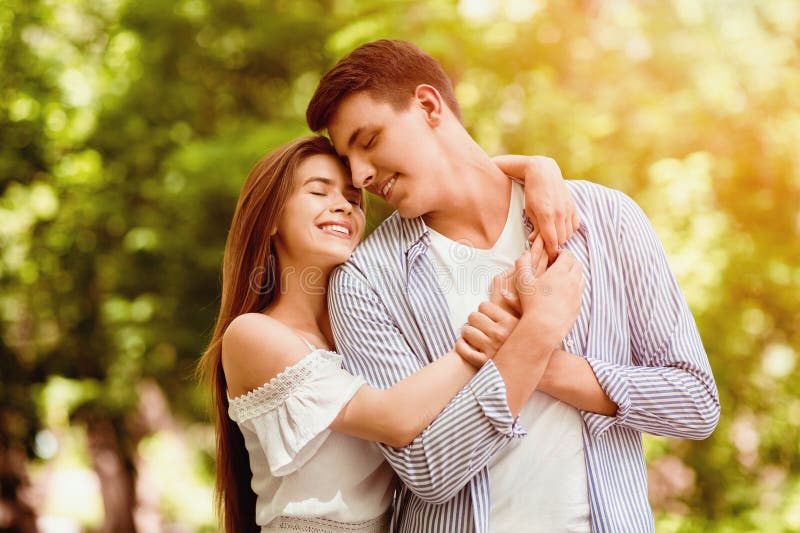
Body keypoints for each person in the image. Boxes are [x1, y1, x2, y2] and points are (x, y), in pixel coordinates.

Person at [306, 39, 721, 532]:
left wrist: (536, 358)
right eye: (348, 158)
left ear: (428, 105)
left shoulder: (605, 219)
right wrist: (537, 332)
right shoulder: (365, 282)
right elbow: (426, 471)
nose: (360, 175)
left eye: (369, 141)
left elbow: (696, 404)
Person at [198, 135, 583, 532]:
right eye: (318, 191)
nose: (342, 206)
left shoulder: (366, 322)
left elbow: (453, 182)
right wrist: (494, 329)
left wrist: (536, 167)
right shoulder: (252, 335)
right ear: (271, 217)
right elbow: (392, 419)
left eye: (353, 198)